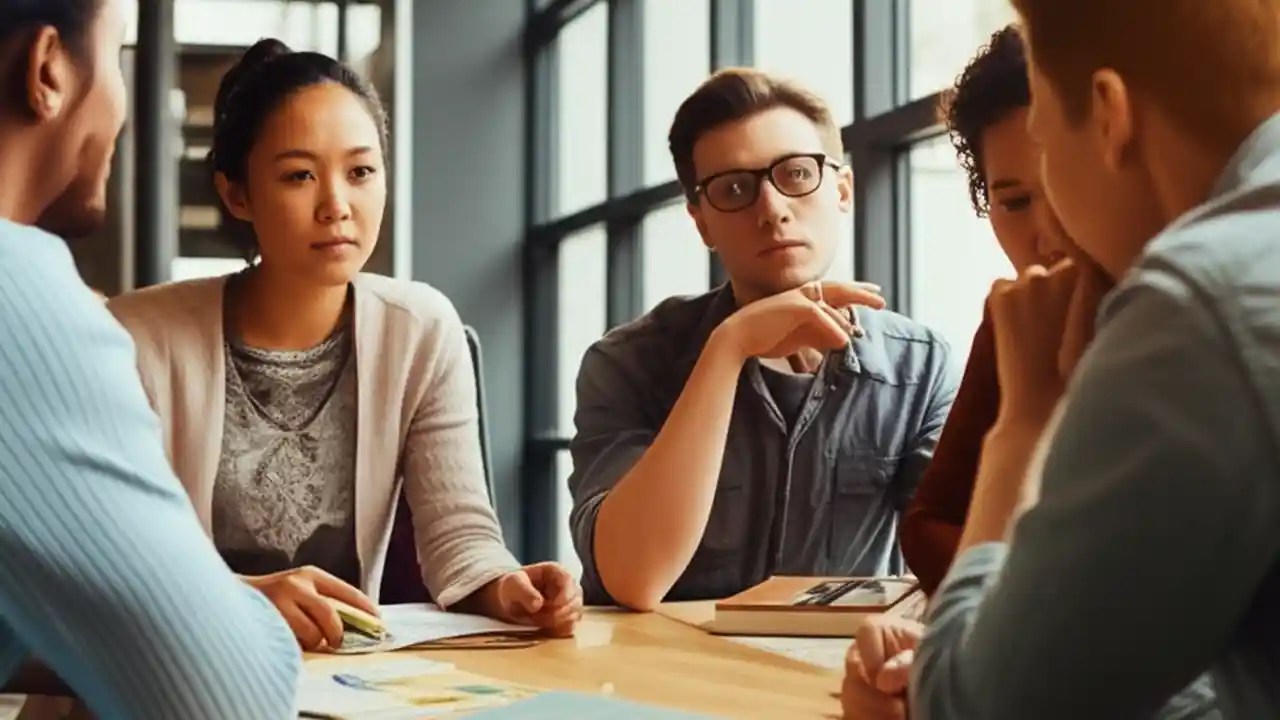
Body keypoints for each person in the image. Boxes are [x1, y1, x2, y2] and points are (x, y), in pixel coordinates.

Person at [860, 1, 1280, 718]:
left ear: (1109, 114)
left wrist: (1024, 419)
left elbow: (981, 707)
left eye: (1045, 142)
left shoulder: (1193, 301)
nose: (1049, 228)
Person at [107, 39, 582, 651]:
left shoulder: (420, 329)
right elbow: (109, 561)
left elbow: (460, 538)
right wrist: (239, 602)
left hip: (347, 676)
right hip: (181, 666)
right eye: (299, 176)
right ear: (237, 195)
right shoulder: (133, 340)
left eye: (360, 172)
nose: (336, 206)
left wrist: (510, 588)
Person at [0, 0, 300, 717]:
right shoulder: (22, 297)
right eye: (117, 56)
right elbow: (228, 698)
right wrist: (219, 606)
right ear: (48, 70)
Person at [568, 68, 959, 611]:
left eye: (797, 174)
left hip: (828, 662)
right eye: (734, 189)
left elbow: (961, 565)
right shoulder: (628, 362)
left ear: (843, 190)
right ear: (701, 223)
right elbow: (634, 578)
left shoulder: (919, 367)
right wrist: (728, 349)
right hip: (658, 660)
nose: (772, 209)